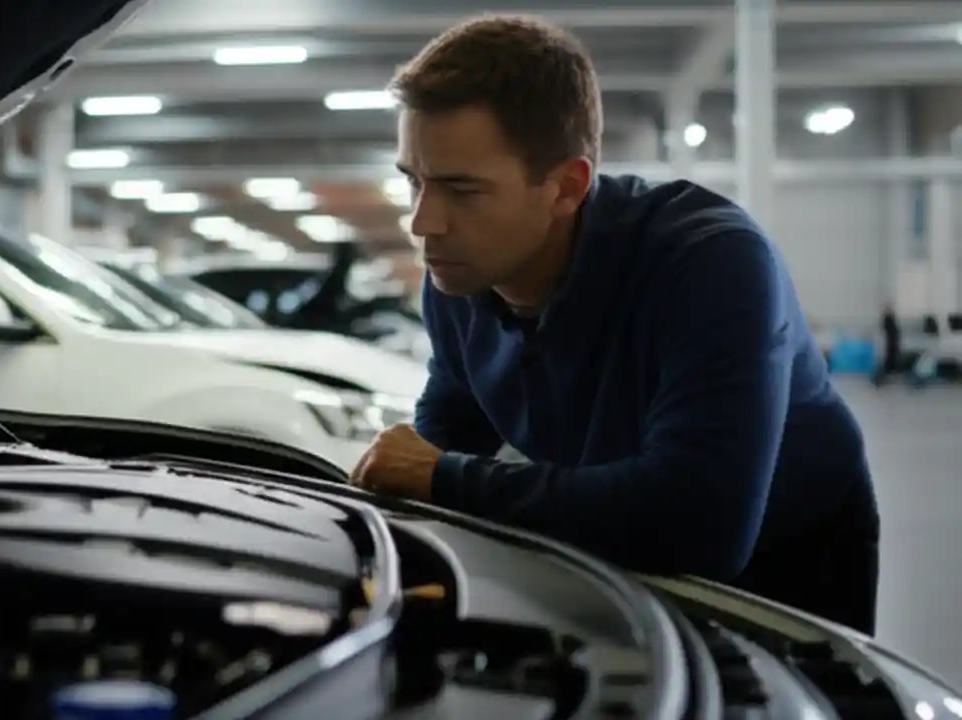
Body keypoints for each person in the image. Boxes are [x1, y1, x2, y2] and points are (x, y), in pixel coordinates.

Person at [348, 14, 881, 634]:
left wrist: (446, 478)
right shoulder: (464, 277)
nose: (423, 223)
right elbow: (443, 442)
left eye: (461, 190)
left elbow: (699, 522)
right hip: (617, 551)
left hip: (782, 569)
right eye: (414, 181)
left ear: (568, 187)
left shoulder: (711, 263)